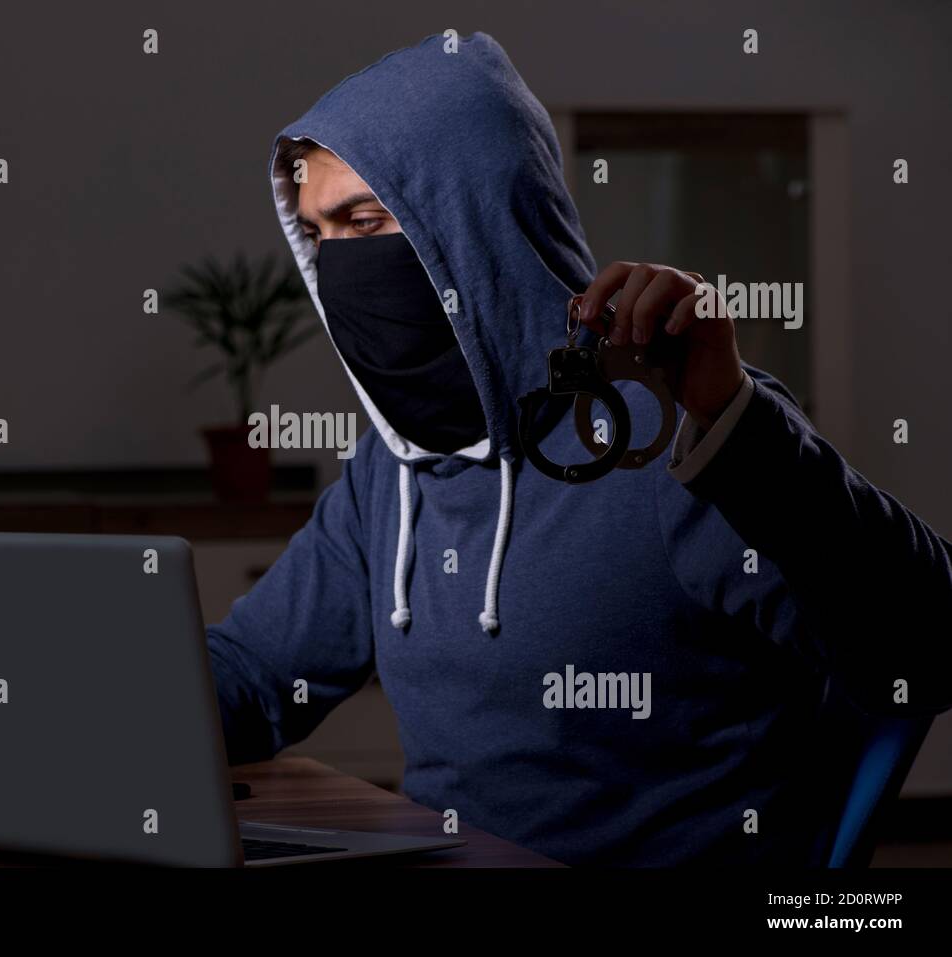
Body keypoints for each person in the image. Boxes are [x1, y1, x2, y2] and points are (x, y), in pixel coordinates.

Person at [199, 31, 952, 865]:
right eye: (318, 234)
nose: (339, 267)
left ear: (472, 223)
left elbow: (929, 644)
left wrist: (737, 421)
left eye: (366, 221)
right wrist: (80, 710)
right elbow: (255, 673)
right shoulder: (394, 466)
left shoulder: (686, 434)